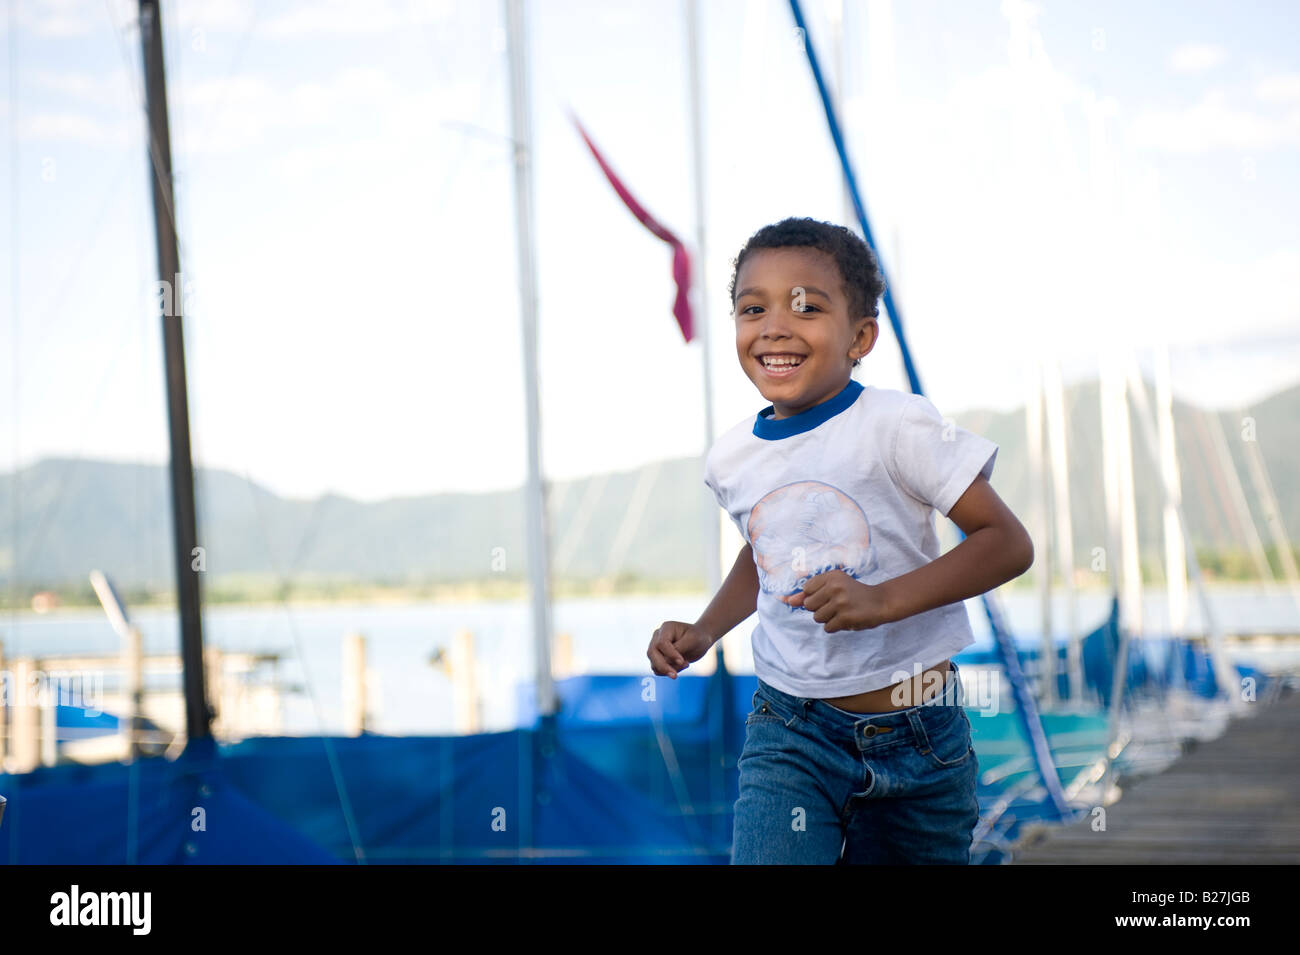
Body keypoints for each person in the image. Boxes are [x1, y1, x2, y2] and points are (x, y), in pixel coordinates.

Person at [647, 216, 1034, 864]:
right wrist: (705, 629)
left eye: (806, 306)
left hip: (920, 728)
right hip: (791, 730)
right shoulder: (732, 458)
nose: (773, 324)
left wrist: (883, 600)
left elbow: (1005, 541)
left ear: (861, 336)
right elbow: (763, 551)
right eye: (752, 308)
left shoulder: (896, 424)